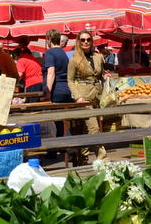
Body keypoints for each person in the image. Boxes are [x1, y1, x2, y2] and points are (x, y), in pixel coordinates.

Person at [67, 30, 106, 162]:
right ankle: (103, 157)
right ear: (78, 41)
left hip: (97, 94)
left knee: (87, 128)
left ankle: (82, 154)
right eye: (83, 40)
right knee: (94, 127)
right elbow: (70, 80)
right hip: (83, 95)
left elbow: (100, 75)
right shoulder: (74, 59)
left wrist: (105, 76)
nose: (86, 42)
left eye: (88, 39)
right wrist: (77, 96)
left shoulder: (98, 57)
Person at [42, 29, 72, 104]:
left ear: (49, 39)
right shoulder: (64, 53)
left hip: (55, 91)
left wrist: (48, 93)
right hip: (66, 90)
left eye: (46, 39)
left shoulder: (50, 53)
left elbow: (51, 73)